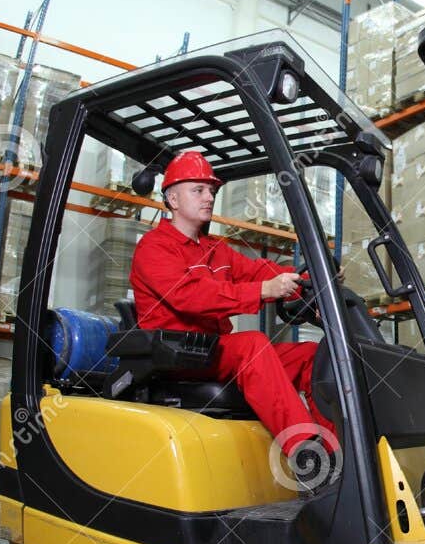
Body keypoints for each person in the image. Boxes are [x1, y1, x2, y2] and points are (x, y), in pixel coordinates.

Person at [128, 151, 336, 470]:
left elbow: (257, 270)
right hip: (180, 355)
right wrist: (263, 291)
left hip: (217, 354)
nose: (209, 197)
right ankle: (309, 456)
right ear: (172, 198)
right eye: (198, 190)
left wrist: (315, 277)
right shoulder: (154, 247)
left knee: (312, 355)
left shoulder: (215, 249)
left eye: (211, 190)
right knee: (252, 344)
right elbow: (189, 296)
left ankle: (338, 452)